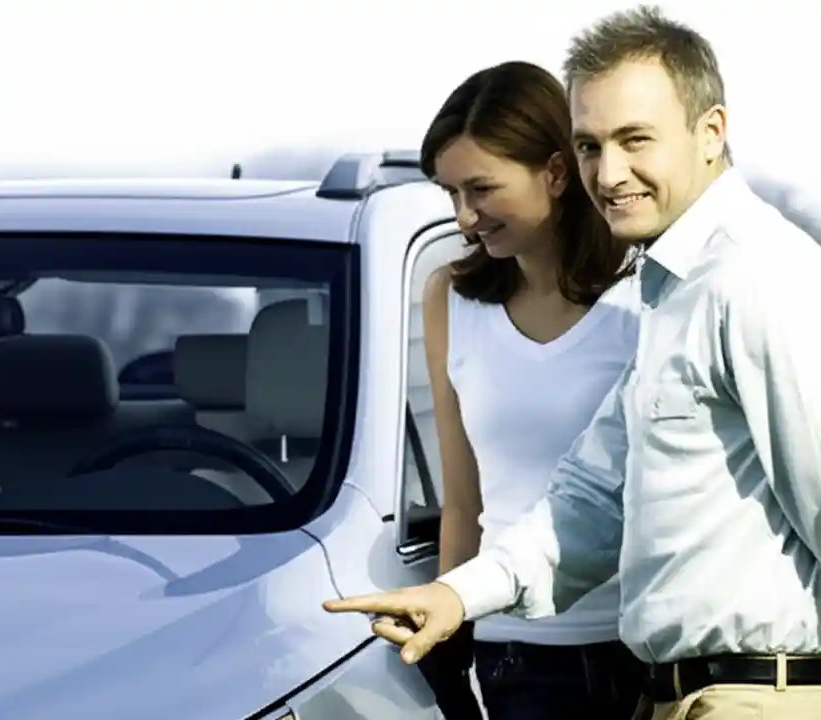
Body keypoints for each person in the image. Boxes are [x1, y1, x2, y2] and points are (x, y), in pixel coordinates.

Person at [326, 5, 821, 718]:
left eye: (634, 140)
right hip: (678, 694)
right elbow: (586, 506)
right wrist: (453, 598)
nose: (608, 172)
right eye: (591, 145)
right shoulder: (674, 294)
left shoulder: (759, 280)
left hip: (757, 697)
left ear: (711, 132)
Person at [410, 60, 644, 720]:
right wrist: (448, 643)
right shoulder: (450, 299)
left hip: (648, 653)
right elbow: (464, 502)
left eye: (481, 189)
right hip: (517, 655)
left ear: (557, 171)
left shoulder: (647, 298)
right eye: (450, 194)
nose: (464, 217)